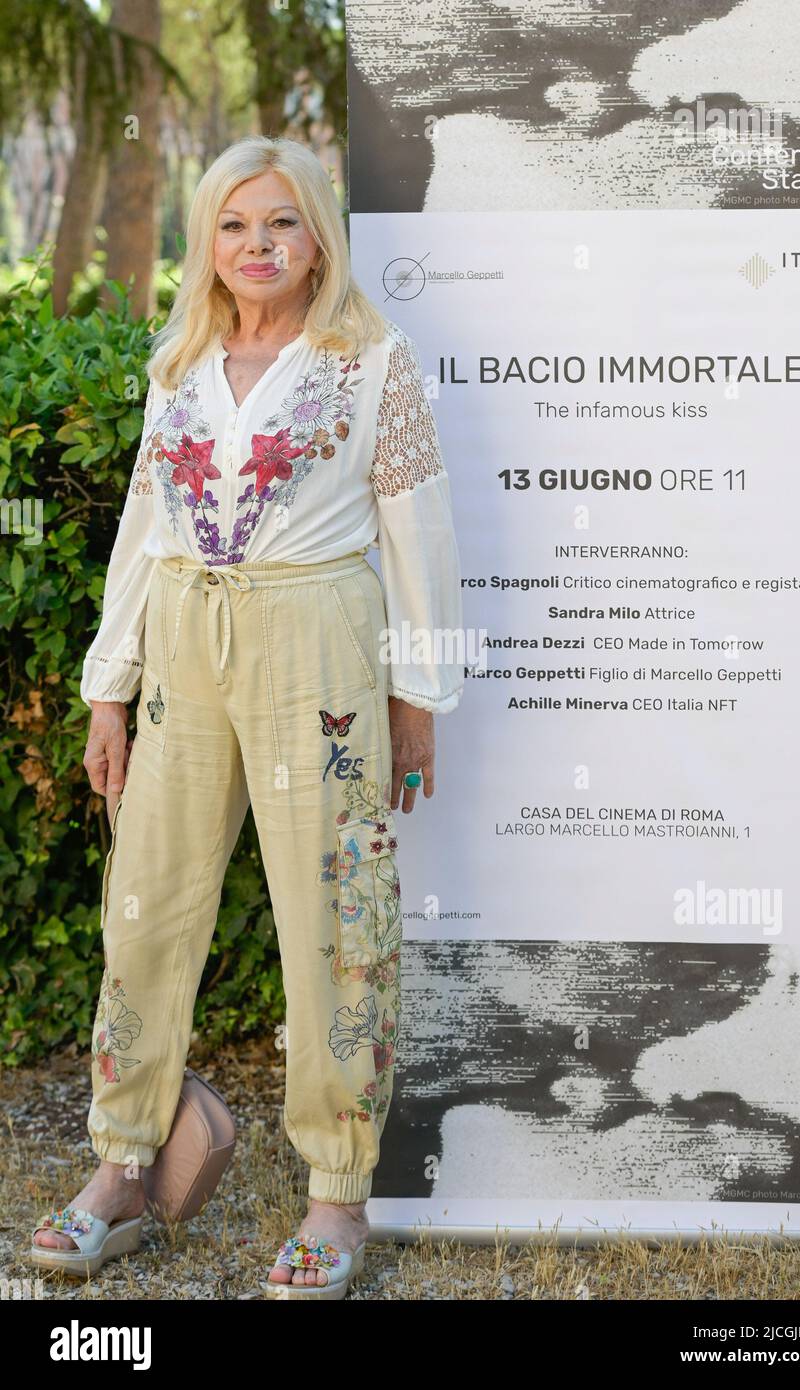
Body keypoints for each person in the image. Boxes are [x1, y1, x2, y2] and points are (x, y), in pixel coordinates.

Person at [30, 134, 464, 1296]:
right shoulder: (180, 362)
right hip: (182, 637)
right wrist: (106, 686)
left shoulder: (371, 359)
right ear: (206, 241)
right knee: (147, 906)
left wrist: (418, 695)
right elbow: (142, 528)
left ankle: (338, 1193)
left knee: (335, 912)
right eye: (233, 224)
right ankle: (123, 1164)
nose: (258, 245)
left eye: (280, 222)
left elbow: (419, 536)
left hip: (314, 641)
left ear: (317, 232)